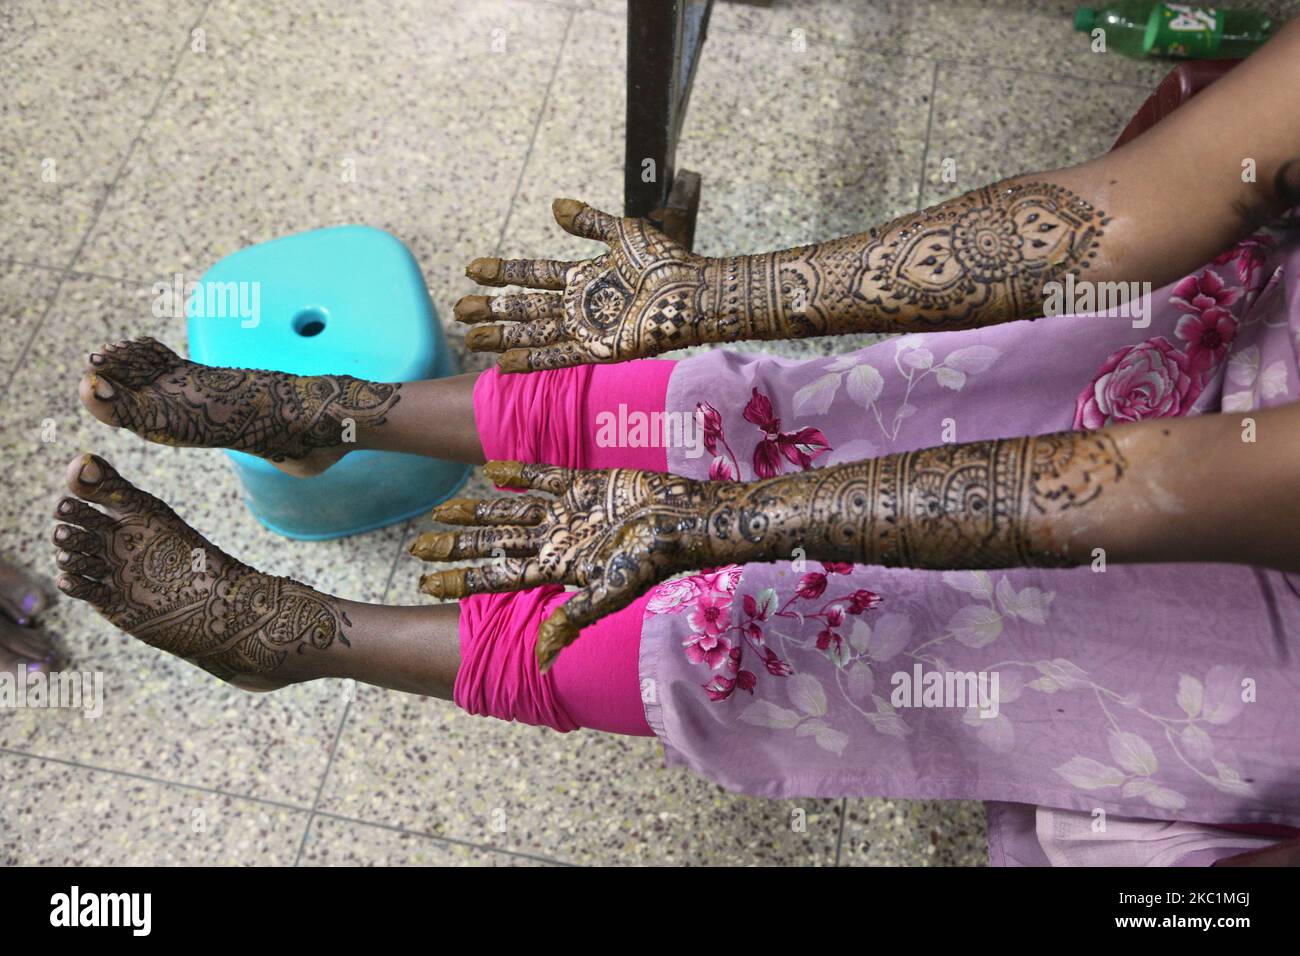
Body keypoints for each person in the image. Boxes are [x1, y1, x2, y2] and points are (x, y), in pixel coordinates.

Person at [51, 19, 1300, 863]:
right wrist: (712, 292)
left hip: (1255, 596)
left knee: (848, 622)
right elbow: (1150, 198)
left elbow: (1159, 491)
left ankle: (312, 640)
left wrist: (719, 525)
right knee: (823, 401)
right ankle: (349, 417)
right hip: (1244, 364)